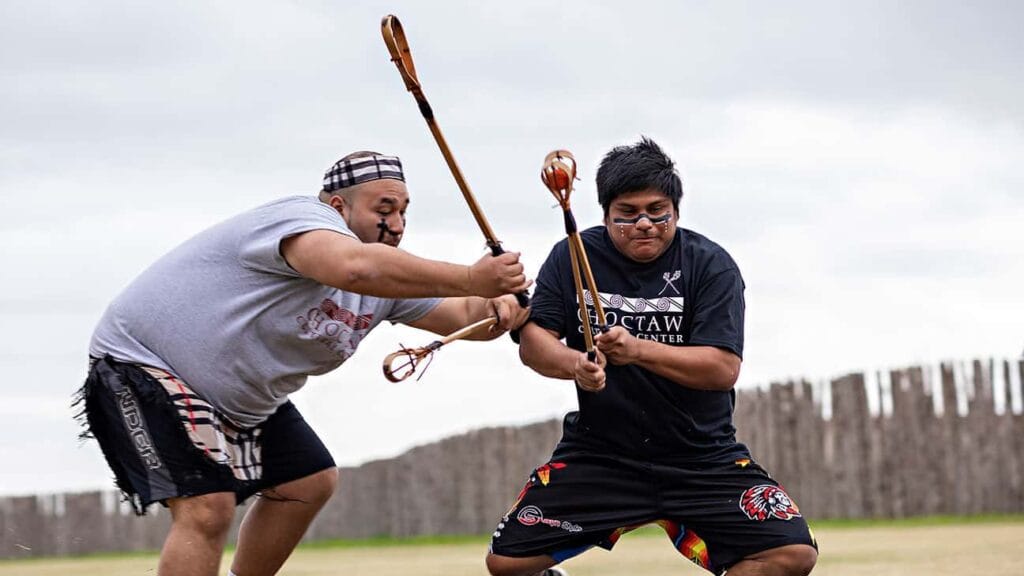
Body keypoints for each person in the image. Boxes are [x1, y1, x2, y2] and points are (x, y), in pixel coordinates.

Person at [77, 151, 531, 576]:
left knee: (307, 481)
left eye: (403, 212)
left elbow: (468, 317)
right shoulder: (301, 220)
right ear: (338, 206)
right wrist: (472, 278)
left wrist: (504, 305)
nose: (396, 224)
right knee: (208, 506)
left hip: (239, 401)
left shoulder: (387, 280)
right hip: (142, 365)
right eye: (384, 208)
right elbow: (352, 267)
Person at [485, 138, 817, 576]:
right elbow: (533, 341)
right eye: (627, 214)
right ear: (605, 214)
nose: (644, 223)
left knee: (792, 553)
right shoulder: (572, 256)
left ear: (676, 211)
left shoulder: (711, 265)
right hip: (603, 453)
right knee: (508, 564)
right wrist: (576, 366)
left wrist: (637, 350)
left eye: (658, 211)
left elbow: (722, 368)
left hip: (702, 456)